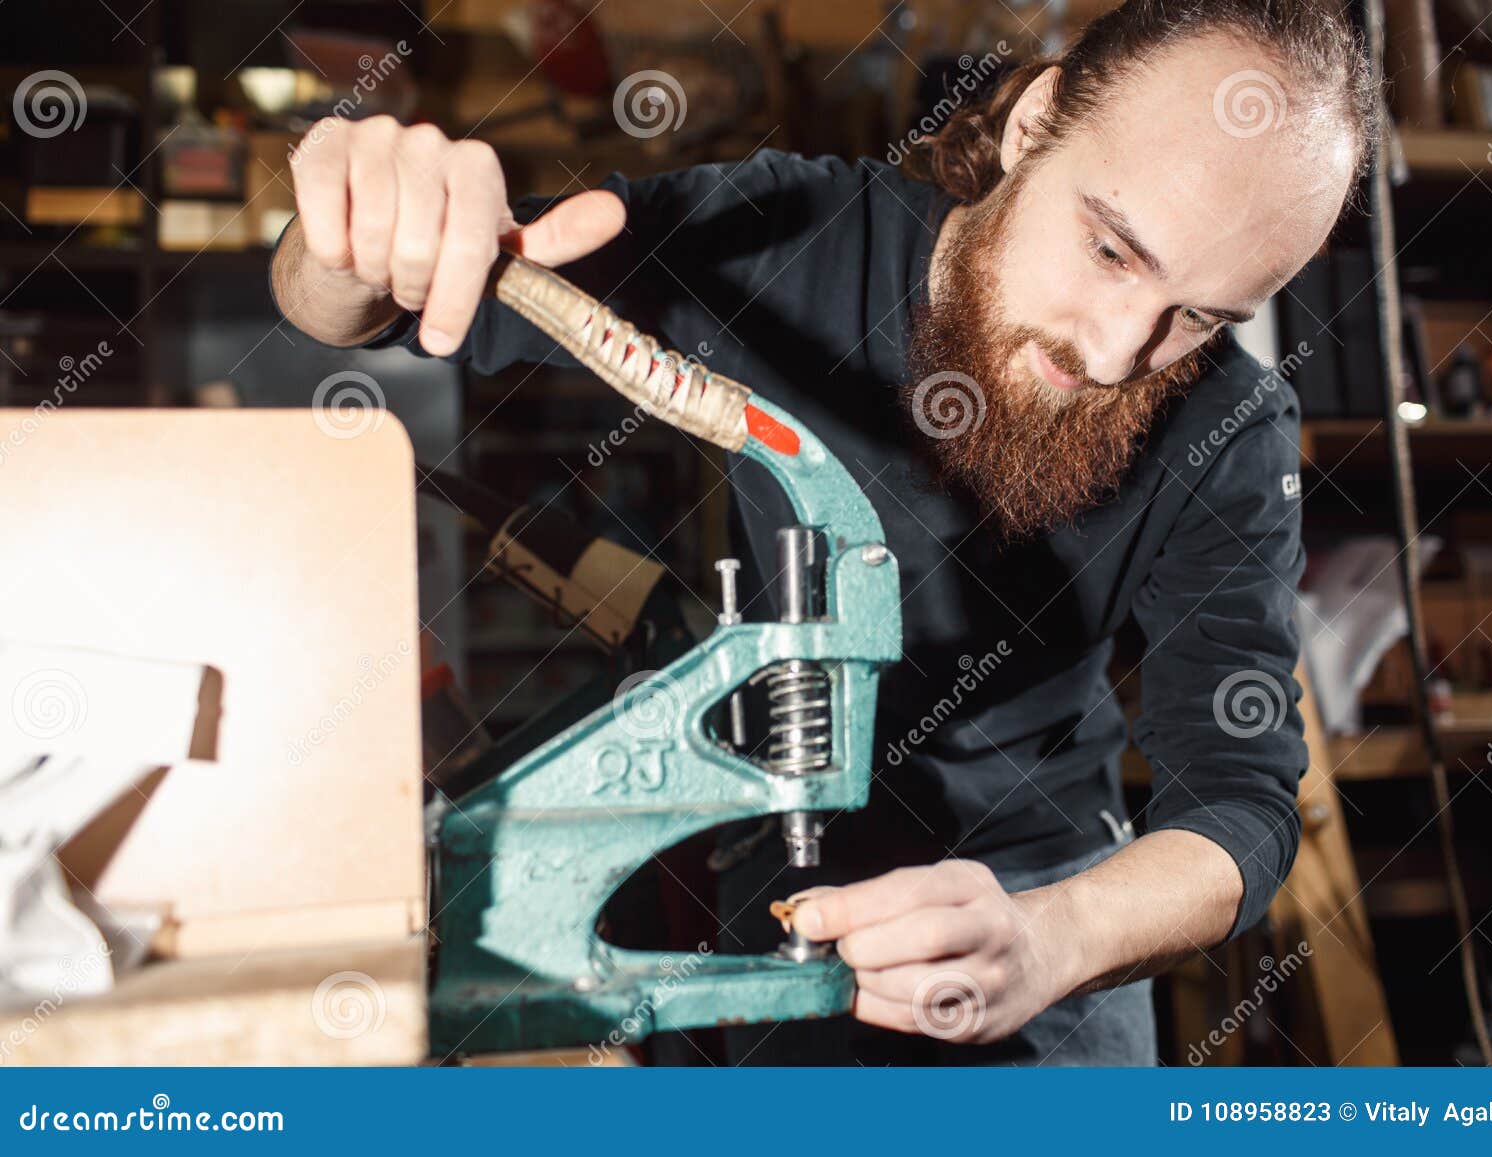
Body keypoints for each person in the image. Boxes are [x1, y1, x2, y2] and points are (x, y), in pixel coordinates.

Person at [271, 0, 1380, 1065]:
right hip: (783, 877)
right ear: (1036, 127)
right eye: (1110, 251)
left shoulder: (1229, 425)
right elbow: (362, 312)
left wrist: (1053, 938)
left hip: (1041, 914)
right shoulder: (795, 235)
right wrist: (356, 231)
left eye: (1199, 316)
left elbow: (1237, 806)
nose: (1118, 348)